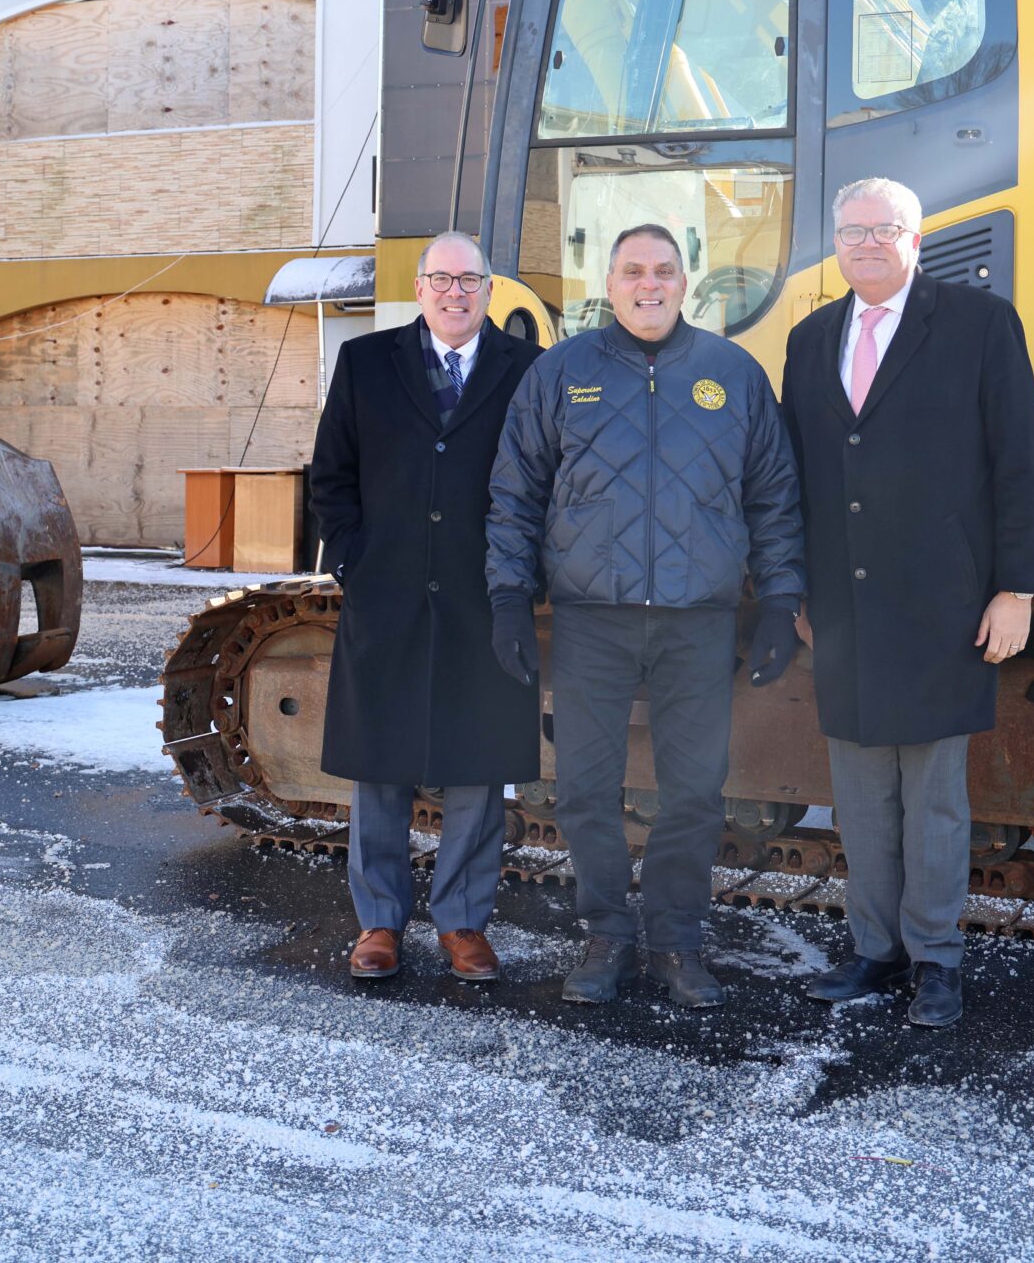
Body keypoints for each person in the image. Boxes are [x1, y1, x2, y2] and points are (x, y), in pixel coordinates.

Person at [486, 223, 805, 1009]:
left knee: (695, 791)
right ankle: (605, 934)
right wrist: (507, 596)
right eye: (633, 271)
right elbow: (515, 494)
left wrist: (781, 600)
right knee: (586, 789)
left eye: (663, 270)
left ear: (685, 279)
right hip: (593, 619)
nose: (649, 284)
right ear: (610, 281)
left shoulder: (732, 374)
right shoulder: (562, 372)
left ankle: (677, 940)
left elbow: (773, 499)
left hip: (699, 621)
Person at [781, 177, 1034, 1028]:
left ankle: (937, 959)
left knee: (932, 796)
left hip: (944, 601)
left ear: (916, 239)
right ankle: (874, 951)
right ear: (836, 241)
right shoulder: (810, 337)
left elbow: (1018, 463)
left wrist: (1015, 589)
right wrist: (795, 589)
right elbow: (797, 478)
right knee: (859, 795)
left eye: (883, 229)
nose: (865, 243)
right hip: (845, 606)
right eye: (851, 230)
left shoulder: (978, 326)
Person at [308, 231, 541, 983]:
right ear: (419, 288)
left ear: (488, 289)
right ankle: (379, 920)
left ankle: (463, 922)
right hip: (389, 593)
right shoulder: (366, 363)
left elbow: (544, 481)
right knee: (381, 760)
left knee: (477, 763)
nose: (454, 293)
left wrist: (524, 576)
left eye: (468, 280)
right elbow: (331, 476)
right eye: (440, 279)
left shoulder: (526, 371)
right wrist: (354, 560)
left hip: (485, 598)